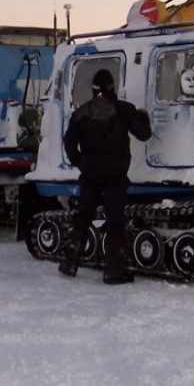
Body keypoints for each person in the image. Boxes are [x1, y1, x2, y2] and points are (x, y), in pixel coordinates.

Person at [58, 68, 152, 284]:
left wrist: (81, 162)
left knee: (83, 216)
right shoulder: (124, 110)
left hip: (90, 174)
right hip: (115, 175)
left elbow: (69, 144)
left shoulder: (80, 114)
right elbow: (144, 134)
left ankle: (70, 262)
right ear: (112, 87)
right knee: (115, 221)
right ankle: (113, 270)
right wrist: (143, 117)